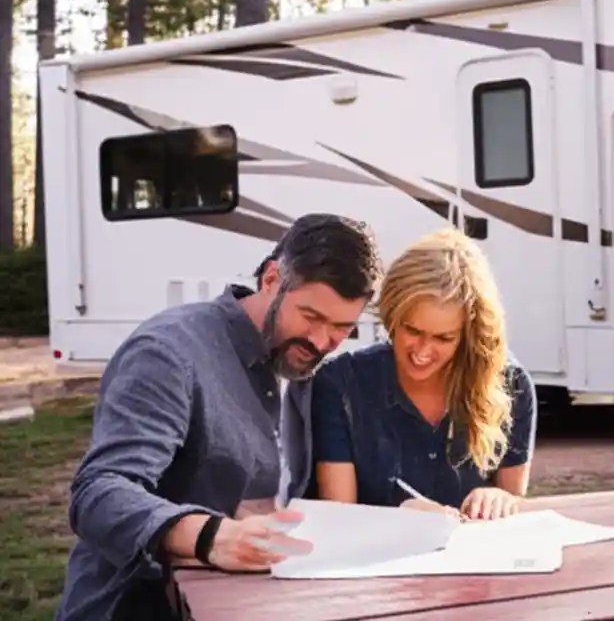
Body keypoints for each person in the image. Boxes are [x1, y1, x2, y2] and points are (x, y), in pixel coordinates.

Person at [56, 213, 382, 621]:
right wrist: (210, 536)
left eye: (342, 327)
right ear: (271, 279)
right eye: (311, 317)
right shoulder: (170, 354)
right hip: (140, 606)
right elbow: (98, 493)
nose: (321, 341)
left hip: (261, 604)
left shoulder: (302, 362)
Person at [311, 227, 536, 521]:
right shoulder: (340, 384)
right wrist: (398, 517)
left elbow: (515, 502)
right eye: (412, 330)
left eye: (444, 338)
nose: (422, 351)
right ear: (392, 315)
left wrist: (499, 498)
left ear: (469, 335)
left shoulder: (510, 385)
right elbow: (338, 518)